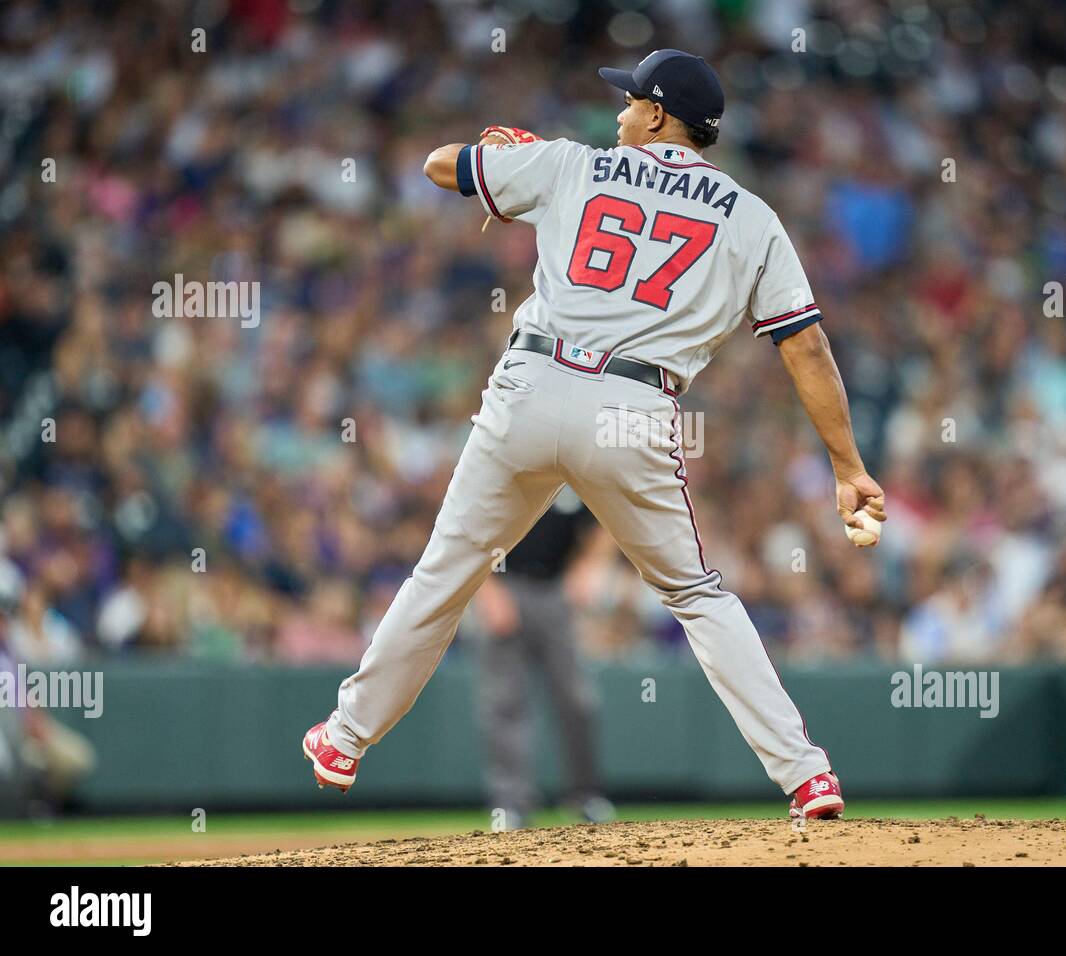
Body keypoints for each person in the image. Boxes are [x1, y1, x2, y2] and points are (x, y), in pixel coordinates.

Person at [303, 49, 886, 821]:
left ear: (655, 115)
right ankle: (807, 776)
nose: (617, 112)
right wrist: (847, 465)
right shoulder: (751, 216)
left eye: (628, 102)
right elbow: (804, 342)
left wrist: (506, 157)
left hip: (532, 386)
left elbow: (440, 166)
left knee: (448, 570)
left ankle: (346, 738)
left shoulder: (575, 165)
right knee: (697, 596)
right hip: (633, 406)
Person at [473, 486, 613, 830]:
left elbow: (608, 520)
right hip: (506, 586)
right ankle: (510, 804)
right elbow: (467, 530)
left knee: (578, 700)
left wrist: (589, 566)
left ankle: (585, 797)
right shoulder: (504, 467)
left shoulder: (570, 477)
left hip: (554, 591)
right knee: (505, 702)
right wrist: (485, 588)